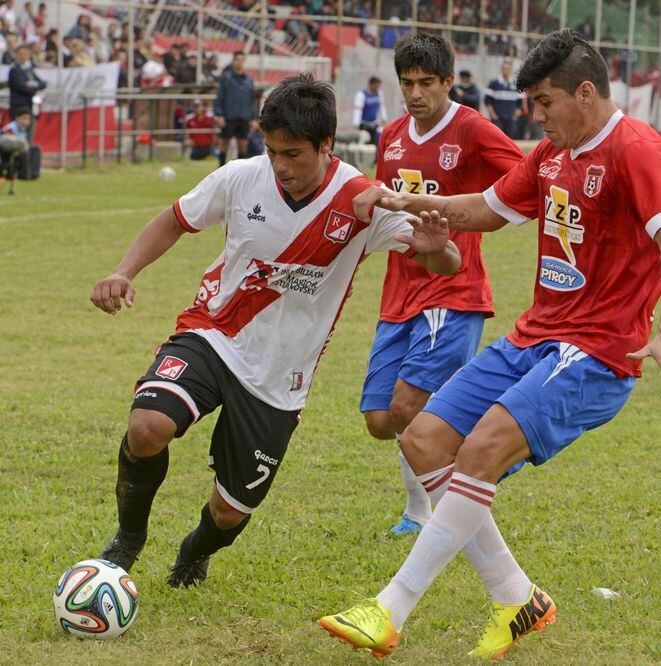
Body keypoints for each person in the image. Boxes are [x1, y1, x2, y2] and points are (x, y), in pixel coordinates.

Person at [320, 29, 661, 659]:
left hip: (599, 353)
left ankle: (389, 609)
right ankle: (518, 598)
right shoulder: (552, 154)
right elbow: (486, 209)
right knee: (422, 438)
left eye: (545, 101)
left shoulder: (636, 149)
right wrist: (410, 204)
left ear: (586, 92)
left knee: (482, 447)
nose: (536, 114)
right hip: (537, 335)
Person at [91, 73, 460, 589]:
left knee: (228, 513)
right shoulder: (242, 177)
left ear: (326, 144)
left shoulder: (360, 199)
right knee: (147, 427)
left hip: (279, 376)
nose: (280, 166)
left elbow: (445, 262)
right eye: (272, 151)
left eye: (293, 154)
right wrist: (123, 271)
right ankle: (126, 542)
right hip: (213, 332)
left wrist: (437, 243)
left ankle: (195, 552)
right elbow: (176, 219)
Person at [361, 33, 524, 537]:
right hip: (399, 289)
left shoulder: (473, 129)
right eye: (407, 83)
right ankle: (484, 430)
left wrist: (462, 215)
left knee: (410, 406)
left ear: (448, 82)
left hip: (455, 288)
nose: (416, 93)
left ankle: (423, 516)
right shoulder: (390, 136)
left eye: (427, 83)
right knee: (381, 419)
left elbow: (524, 179)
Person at [213, 51, 256, 166]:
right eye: (237, 60)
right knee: (224, 144)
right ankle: (220, 168)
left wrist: (253, 118)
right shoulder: (226, 78)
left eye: (242, 60)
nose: (240, 62)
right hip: (229, 116)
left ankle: (240, 170)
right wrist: (219, 114)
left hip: (244, 116)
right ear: (233, 61)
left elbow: (252, 100)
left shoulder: (249, 80)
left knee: (242, 145)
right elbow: (219, 98)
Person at [8, 43, 46, 143]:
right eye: (21, 53)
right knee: (19, 137)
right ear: (16, 55)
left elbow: (43, 83)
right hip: (20, 108)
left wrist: (33, 84)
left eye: (25, 53)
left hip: (31, 107)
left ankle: (28, 157)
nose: (23, 56)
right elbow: (23, 87)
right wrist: (34, 86)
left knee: (30, 136)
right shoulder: (14, 70)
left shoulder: (29, 69)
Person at [484, 58, 522, 140]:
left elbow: (520, 104)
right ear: (501, 69)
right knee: (497, 141)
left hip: (510, 120)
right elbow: (487, 102)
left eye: (508, 69)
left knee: (510, 141)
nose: (506, 71)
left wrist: (514, 117)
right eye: (505, 68)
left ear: (511, 70)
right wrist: (494, 116)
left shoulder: (516, 84)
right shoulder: (493, 83)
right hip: (498, 120)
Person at [352, 76, 387, 145]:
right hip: (364, 125)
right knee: (364, 143)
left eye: (379, 86)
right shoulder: (361, 95)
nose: (377, 88)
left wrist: (384, 118)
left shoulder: (379, 93)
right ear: (371, 84)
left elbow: (382, 106)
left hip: (374, 124)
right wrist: (356, 124)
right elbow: (358, 110)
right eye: (376, 85)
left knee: (375, 144)